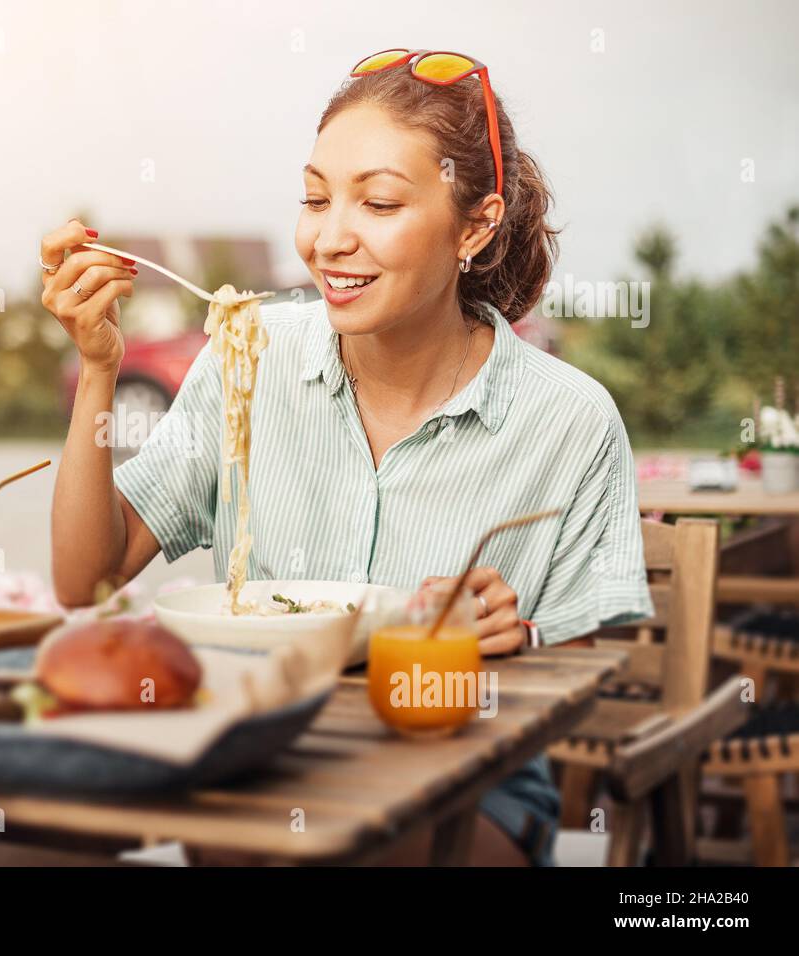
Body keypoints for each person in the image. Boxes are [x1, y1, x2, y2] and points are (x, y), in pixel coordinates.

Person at [39, 49, 653, 865]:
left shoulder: (568, 421)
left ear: (476, 224)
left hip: (467, 790)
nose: (330, 240)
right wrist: (100, 368)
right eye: (315, 198)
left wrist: (522, 634)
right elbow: (90, 577)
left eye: (380, 203)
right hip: (257, 764)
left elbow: (598, 672)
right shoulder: (245, 355)